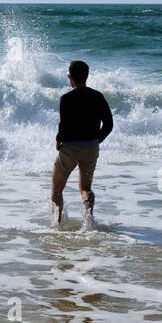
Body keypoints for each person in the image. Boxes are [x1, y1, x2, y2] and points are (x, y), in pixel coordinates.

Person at [51, 59, 113, 224]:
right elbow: (109, 124)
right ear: (86, 76)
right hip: (90, 147)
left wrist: (58, 141)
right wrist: (96, 140)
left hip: (70, 147)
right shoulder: (97, 96)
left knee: (57, 188)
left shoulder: (66, 98)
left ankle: (57, 223)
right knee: (86, 188)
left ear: (70, 77)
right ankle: (89, 217)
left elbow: (63, 126)